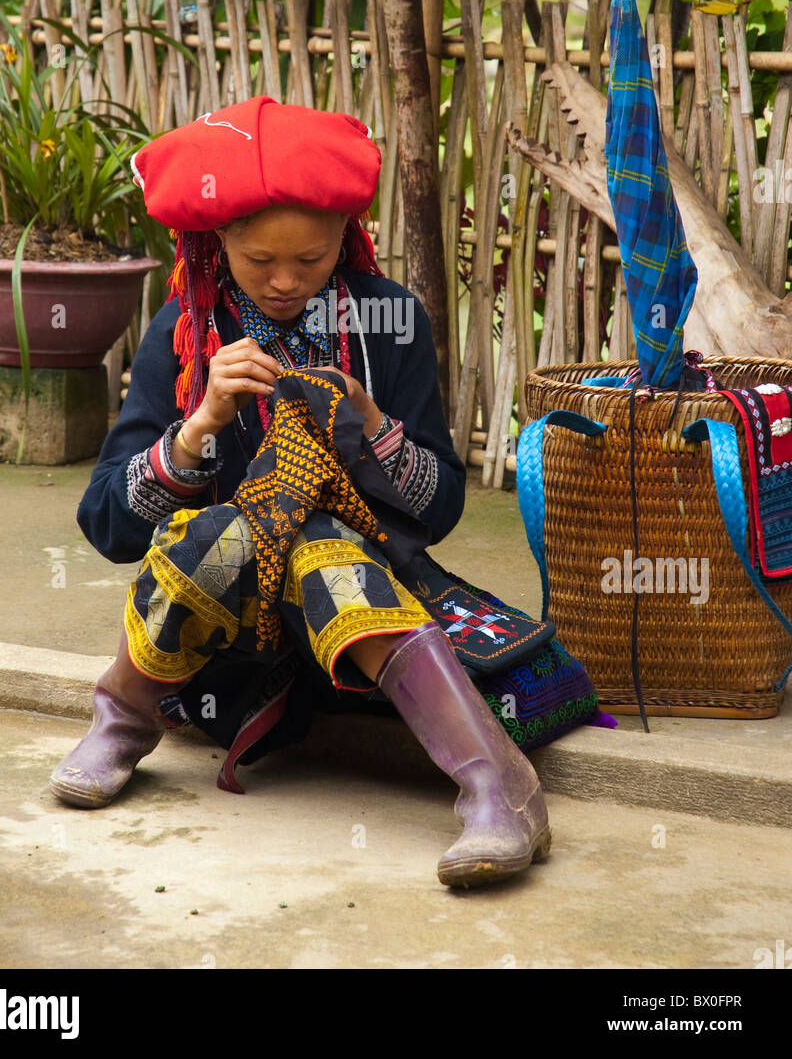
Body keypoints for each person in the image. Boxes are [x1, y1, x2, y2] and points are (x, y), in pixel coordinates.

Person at [50, 96, 550, 889]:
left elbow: (441, 510)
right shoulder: (185, 329)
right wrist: (200, 423)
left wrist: (374, 422)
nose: (285, 282)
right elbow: (107, 524)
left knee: (319, 545)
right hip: (231, 648)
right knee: (224, 535)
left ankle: (499, 788)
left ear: (345, 240)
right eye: (260, 262)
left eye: (311, 260)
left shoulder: (389, 321)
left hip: (364, 621)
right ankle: (122, 723)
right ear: (215, 242)